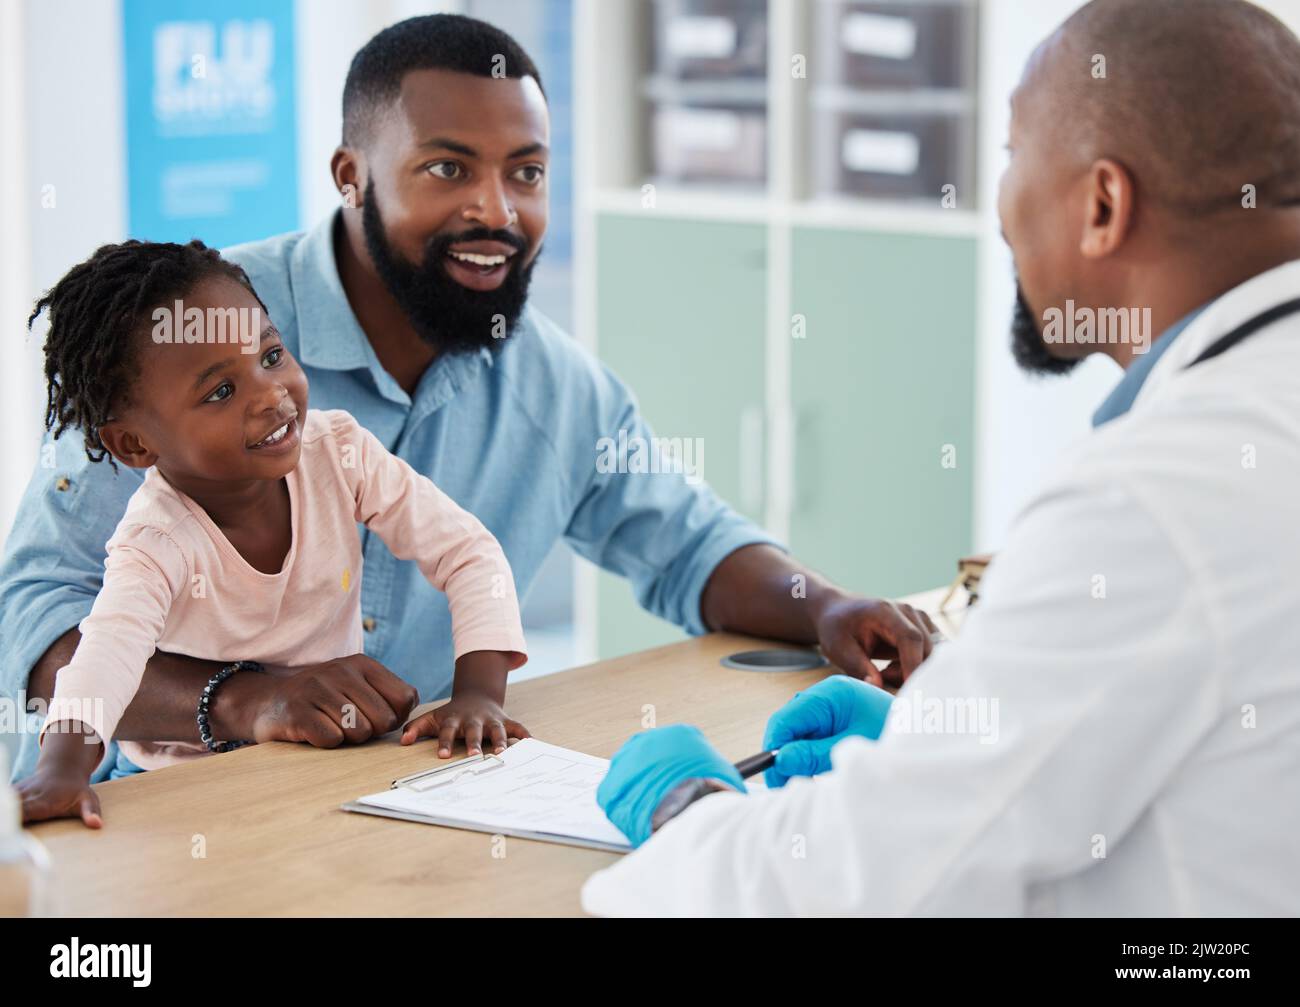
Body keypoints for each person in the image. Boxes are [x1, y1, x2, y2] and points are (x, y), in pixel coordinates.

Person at [0, 14, 938, 783]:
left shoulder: (553, 385)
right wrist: (234, 698)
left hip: (381, 810)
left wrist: (823, 603)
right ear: (351, 175)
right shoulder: (194, 336)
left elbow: (691, 545)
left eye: (525, 172)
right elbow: (34, 618)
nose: (497, 210)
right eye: (448, 168)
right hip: (142, 823)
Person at [583, 0, 1300, 916]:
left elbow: (852, 892)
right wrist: (942, 732)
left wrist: (687, 808)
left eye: (1009, 157)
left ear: (1102, 205)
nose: (1000, 207)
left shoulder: (1157, 493)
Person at [17, 239, 530, 827]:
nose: (272, 394)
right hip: (185, 781)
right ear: (135, 444)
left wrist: (480, 693)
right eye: (220, 392)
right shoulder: (156, 540)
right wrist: (62, 770)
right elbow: (104, 657)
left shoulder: (338, 453)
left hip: (323, 756)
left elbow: (466, 551)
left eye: (270, 355)